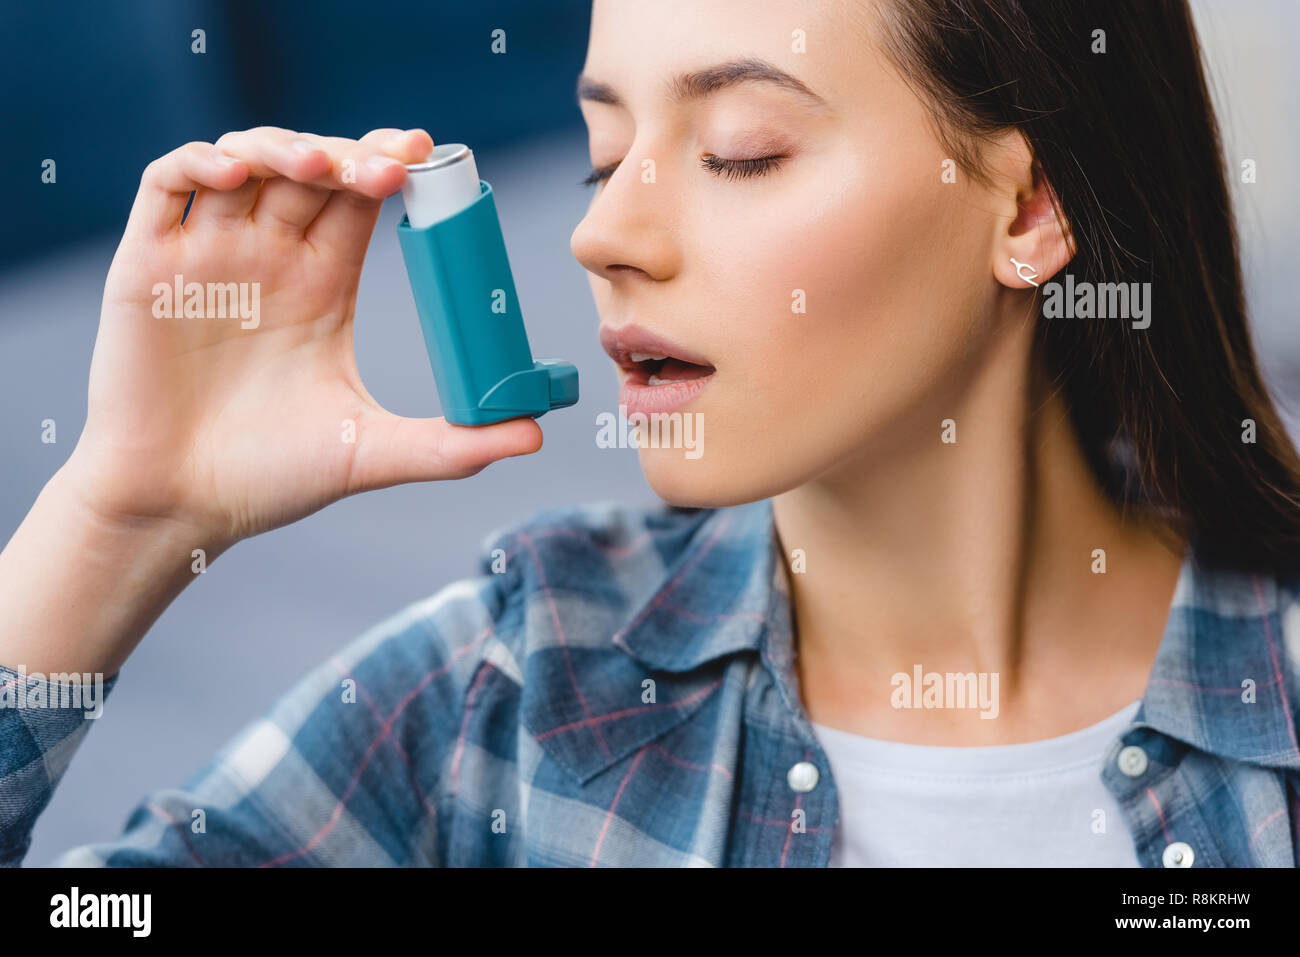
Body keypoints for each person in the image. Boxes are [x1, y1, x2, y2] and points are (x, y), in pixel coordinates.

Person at [2, 0, 1298, 867]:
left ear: (1028, 209)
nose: (600, 237)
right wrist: (123, 513)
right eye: (601, 154)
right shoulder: (514, 692)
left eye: (737, 151)